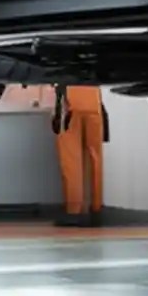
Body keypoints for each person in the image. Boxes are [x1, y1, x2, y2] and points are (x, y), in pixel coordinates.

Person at [52, 85, 110, 227]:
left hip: (70, 102)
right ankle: (96, 210)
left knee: (71, 159)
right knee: (95, 158)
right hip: (94, 101)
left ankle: (74, 211)